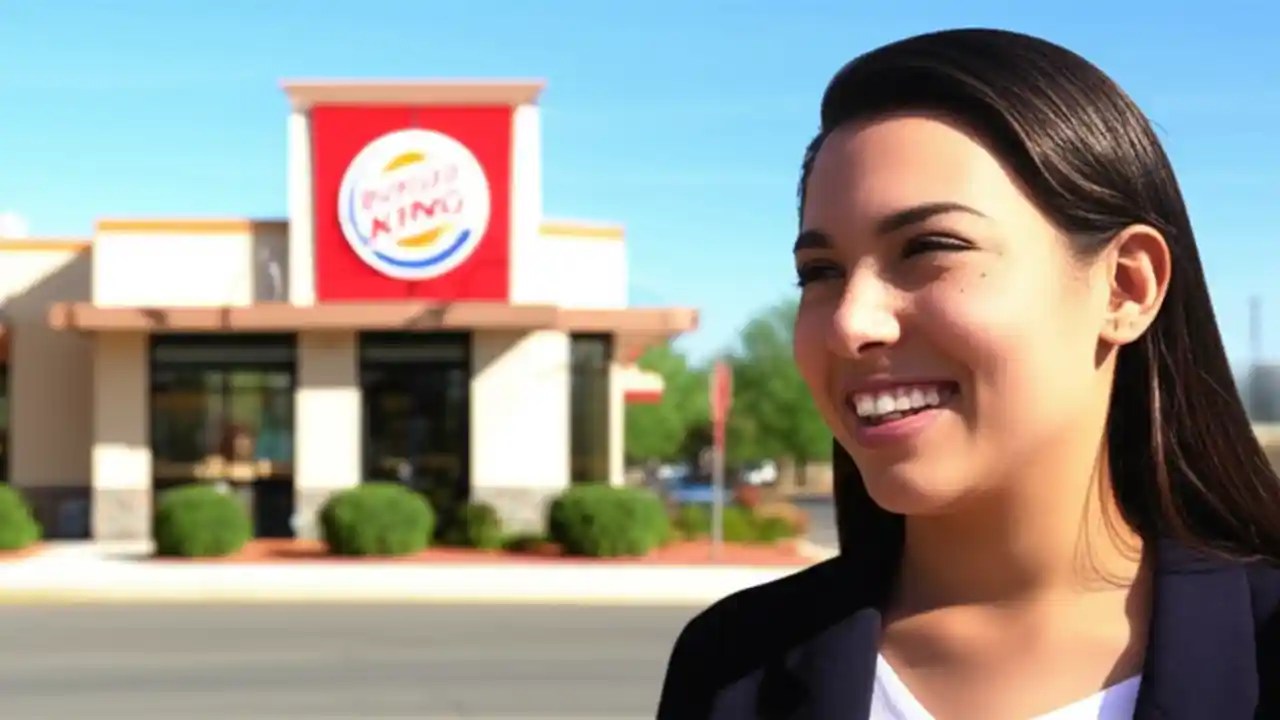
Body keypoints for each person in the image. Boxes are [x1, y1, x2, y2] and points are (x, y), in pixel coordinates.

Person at [657, 28, 1280, 720]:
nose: (849, 323)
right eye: (820, 273)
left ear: (1125, 288)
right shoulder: (734, 668)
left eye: (929, 248)